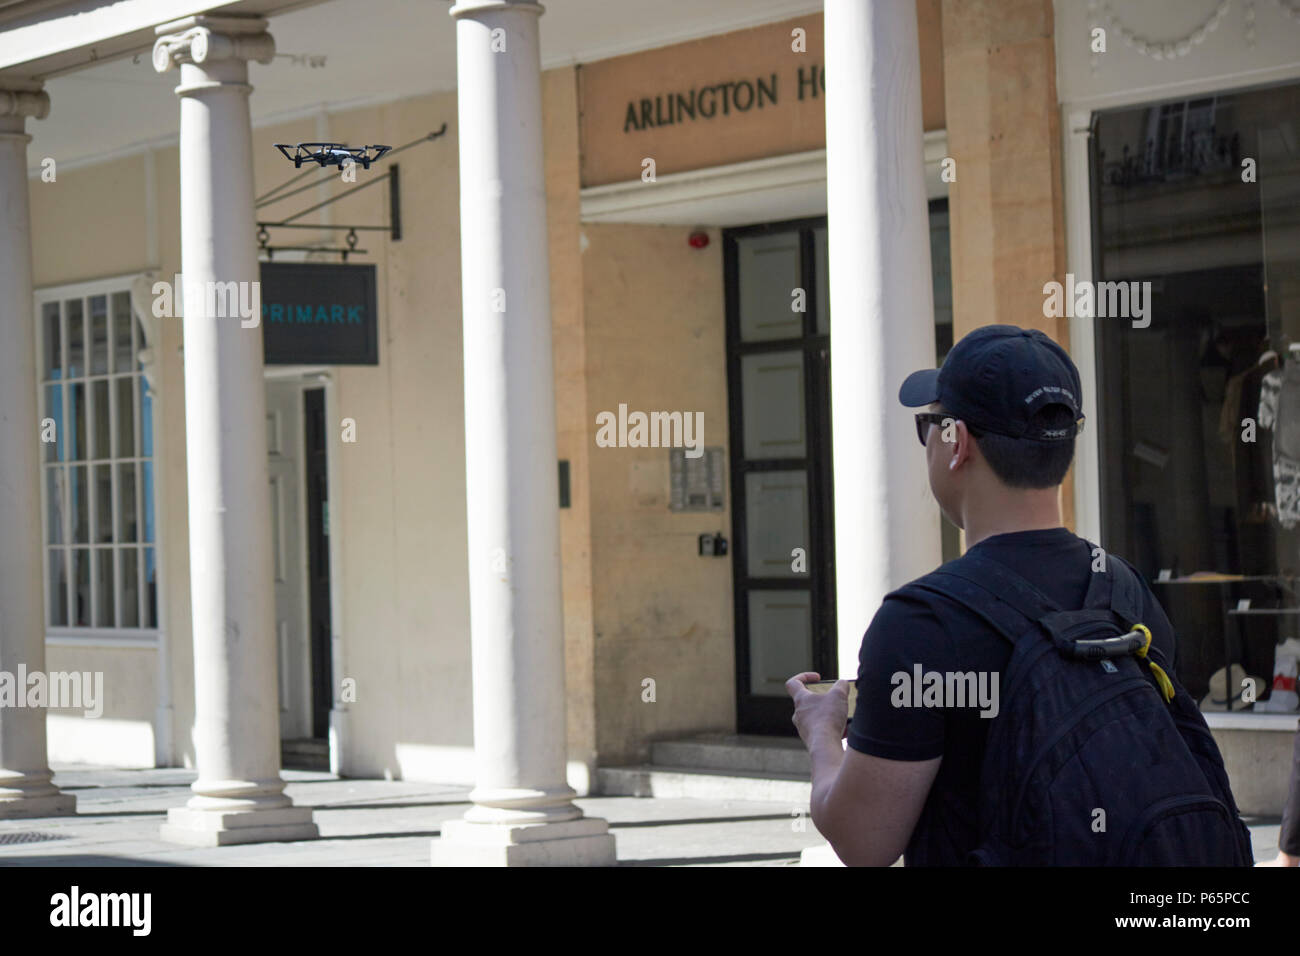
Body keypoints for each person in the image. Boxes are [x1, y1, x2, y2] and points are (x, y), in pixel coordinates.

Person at [785, 324, 1190, 866]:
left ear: (958, 443)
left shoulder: (921, 624)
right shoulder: (1127, 593)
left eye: (927, 425)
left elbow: (864, 843)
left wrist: (821, 735)